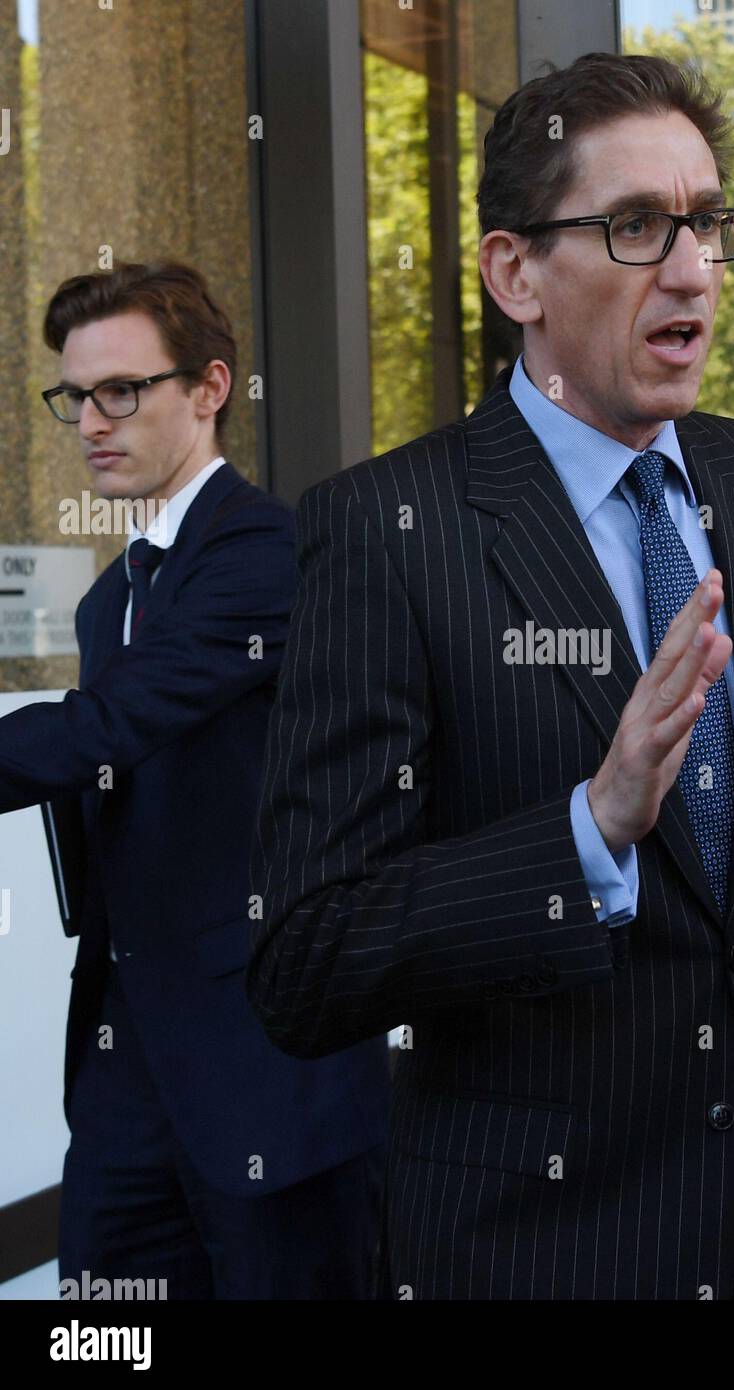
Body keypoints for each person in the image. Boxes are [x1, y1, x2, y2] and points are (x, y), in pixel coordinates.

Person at [248, 52, 734, 1299]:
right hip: (554, 1252)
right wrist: (588, 829)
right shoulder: (388, 528)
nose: (691, 269)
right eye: (634, 226)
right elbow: (305, 957)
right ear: (515, 274)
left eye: (709, 224)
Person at [0, 262, 388, 1298]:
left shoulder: (267, 551)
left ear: (210, 389)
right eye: (75, 397)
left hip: (268, 1066)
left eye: (122, 390)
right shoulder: (104, 604)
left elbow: (111, 725)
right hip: (129, 1071)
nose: (91, 420)